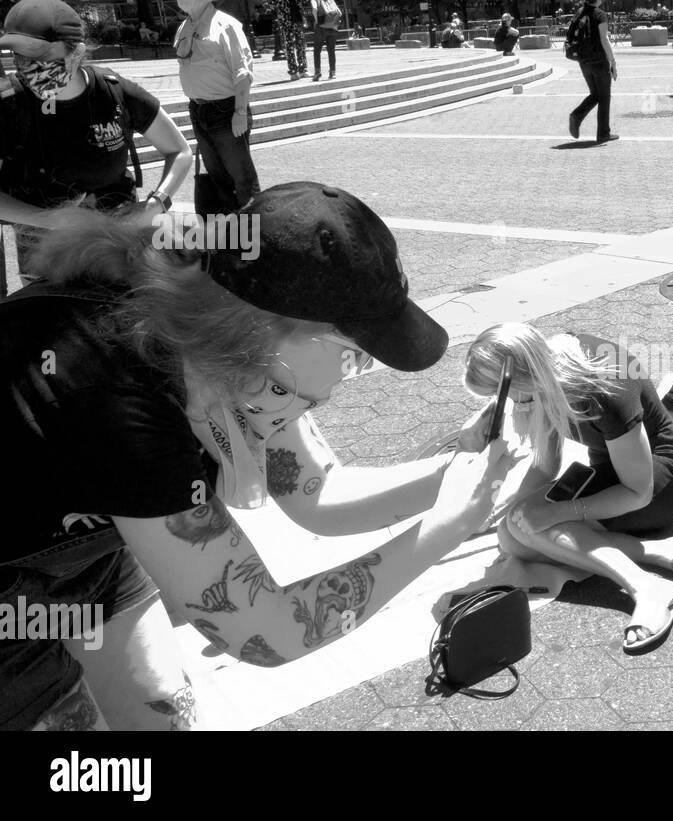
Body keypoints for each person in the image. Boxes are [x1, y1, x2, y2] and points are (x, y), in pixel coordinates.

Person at [0, 182, 520, 730]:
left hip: (81, 540)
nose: (356, 374)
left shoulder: (233, 338)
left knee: (162, 715)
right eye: (353, 355)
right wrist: (450, 524)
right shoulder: (118, 392)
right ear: (263, 330)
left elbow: (321, 495)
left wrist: (463, 471)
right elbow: (260, 631)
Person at [461, 324, 673, 654]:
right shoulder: (544, 372)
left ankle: (647, 587)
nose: (504, 404)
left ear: (518, 378)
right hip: (611, 471)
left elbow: (638, 492)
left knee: (536, 529)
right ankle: (664, 552)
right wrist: (504, 512)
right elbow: (545, 465)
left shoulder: (603, 386)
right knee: (512, 535)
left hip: (661, 484)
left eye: (501, 394)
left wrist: (558, 512)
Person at [0, 0, 191, 293]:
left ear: (76, 51)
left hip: (116, 252)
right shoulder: (9, 104)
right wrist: (47, 219)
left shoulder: (113, 92)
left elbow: (179, 151)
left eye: (38, 52)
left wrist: (157, 203)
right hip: (46, 265)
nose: (27, 64)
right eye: (18, 54)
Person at [176, 0, 261, 215]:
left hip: (225, 110)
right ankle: (230, 237)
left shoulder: (226, 25)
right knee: (217, 176)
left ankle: (256, 236)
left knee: (242, 179)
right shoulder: (184, 26)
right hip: (199, 109)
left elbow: (243, 73)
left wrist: (240, 112)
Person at [567, 0, 619, 143]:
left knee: (596, 94)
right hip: (599, 61)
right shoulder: (599, 14)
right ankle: (603, 133)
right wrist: (613, 62)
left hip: (583, 61)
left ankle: (577, 116)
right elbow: (604, 39)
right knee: (604, 97)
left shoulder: (579, 12)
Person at [268, 0, 308, 80]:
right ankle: (293, 72)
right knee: (289, 47)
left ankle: (302, 70)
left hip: (298, 18)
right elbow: (271, 4)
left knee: (301, 45)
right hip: (285, 21)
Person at [310, 0, 341, 80]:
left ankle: (317, 72)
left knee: (317, 51)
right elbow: (339, 13)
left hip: (320, 28)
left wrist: (317, 22)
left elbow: (314, 9)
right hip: (332, 28)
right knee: (331, 51)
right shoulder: (331, 0)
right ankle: (332, 72)